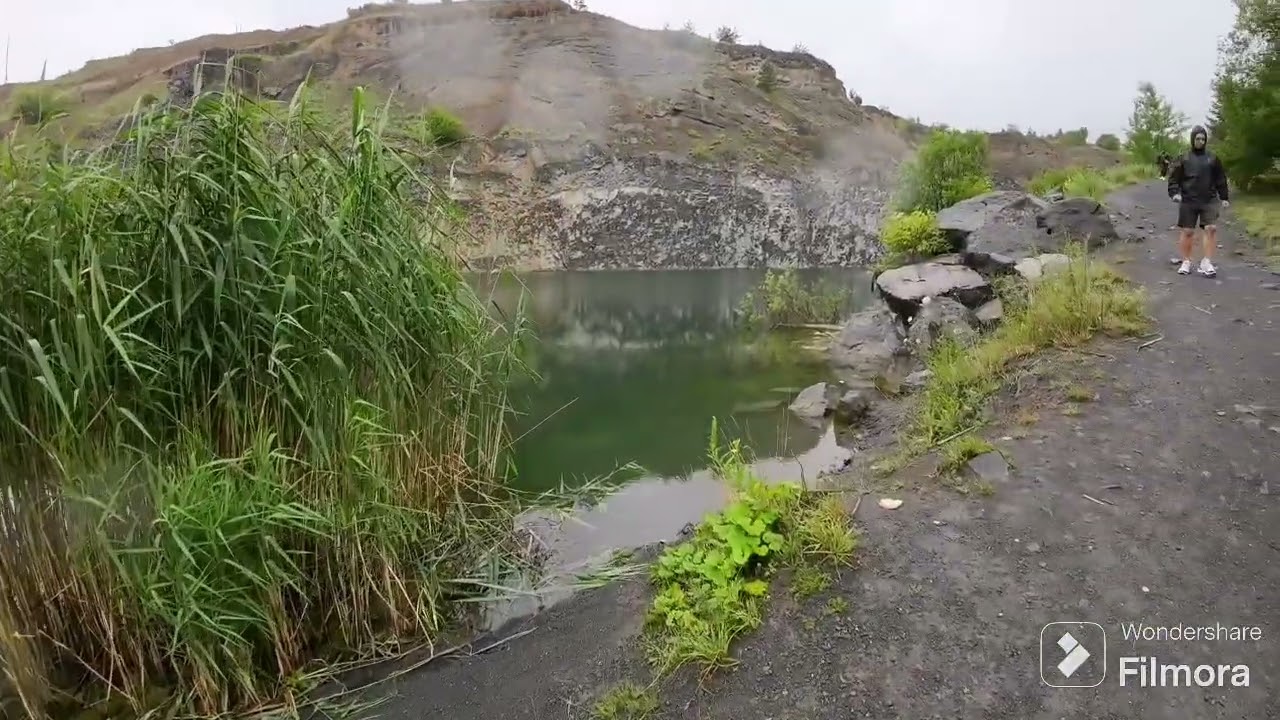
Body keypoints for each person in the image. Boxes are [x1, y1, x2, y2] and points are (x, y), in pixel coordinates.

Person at [1167, 125, 1230, 277]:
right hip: (1189, 199)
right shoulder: (1184, 158)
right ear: (1192, 139)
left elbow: (1220, 178)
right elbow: (1174, 178)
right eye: (1198, 138)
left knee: (1211, 228)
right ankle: (1186, 262)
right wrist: (1174, 193)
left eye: (1203, 139)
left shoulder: (1212, 158)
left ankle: (1206, 262)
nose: (1201, 141)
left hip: (1209, 199)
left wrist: (1224, 197)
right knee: (1188, 231)